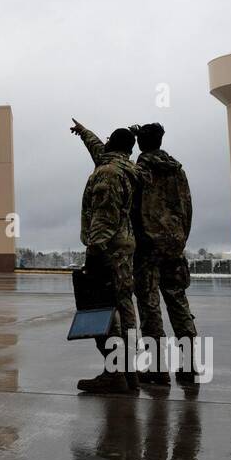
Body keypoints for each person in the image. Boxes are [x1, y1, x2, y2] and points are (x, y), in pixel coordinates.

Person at [70, 119, 140, 394]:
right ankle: (128, 370)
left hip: (107, 247)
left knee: (104, 309)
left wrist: (95, 251)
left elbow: (105, 213)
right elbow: (98, 147)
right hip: (123, 246)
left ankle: (115, 372)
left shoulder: (108, 173)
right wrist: (84, 132)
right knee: (124, 306)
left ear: (114, 144)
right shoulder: (124, 166)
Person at [131, 122, 197, 383]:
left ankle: (158, 368)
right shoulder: (177, 171)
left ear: (140, 144)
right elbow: (187, 207)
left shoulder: (140, 171)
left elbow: (133, 209)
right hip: (174, 245)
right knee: (178, 303)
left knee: (150, 307)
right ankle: (189, 364)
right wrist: (179, 239)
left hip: (147, 248)